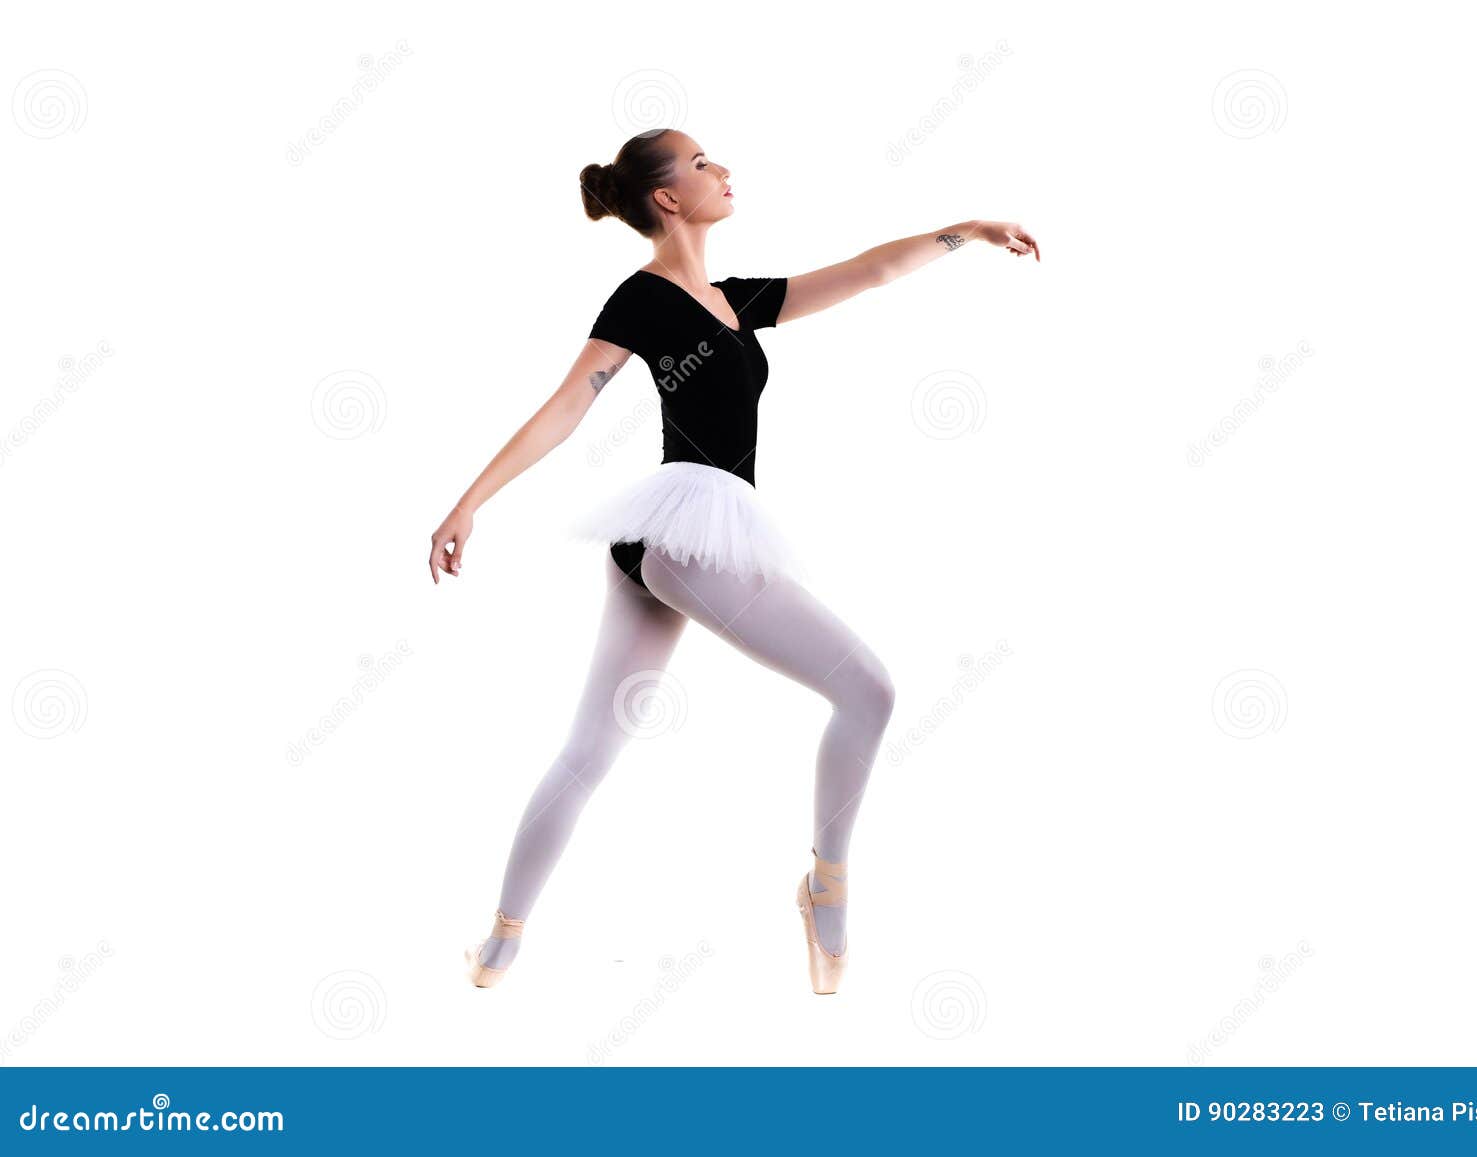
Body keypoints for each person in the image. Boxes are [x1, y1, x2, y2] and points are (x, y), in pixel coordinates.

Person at [429, 128, 1039, 995]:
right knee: (869, 687)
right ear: (668, 198)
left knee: (590, 749)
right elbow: (566, 406)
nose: (724, 168)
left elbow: (868, 270)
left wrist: (967, 231)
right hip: (682, 535)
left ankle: (500, 940)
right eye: (703, 161)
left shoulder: (732, 300)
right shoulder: (640, 299)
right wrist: (469, 502)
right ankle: (825, 887)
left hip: (670, 543)